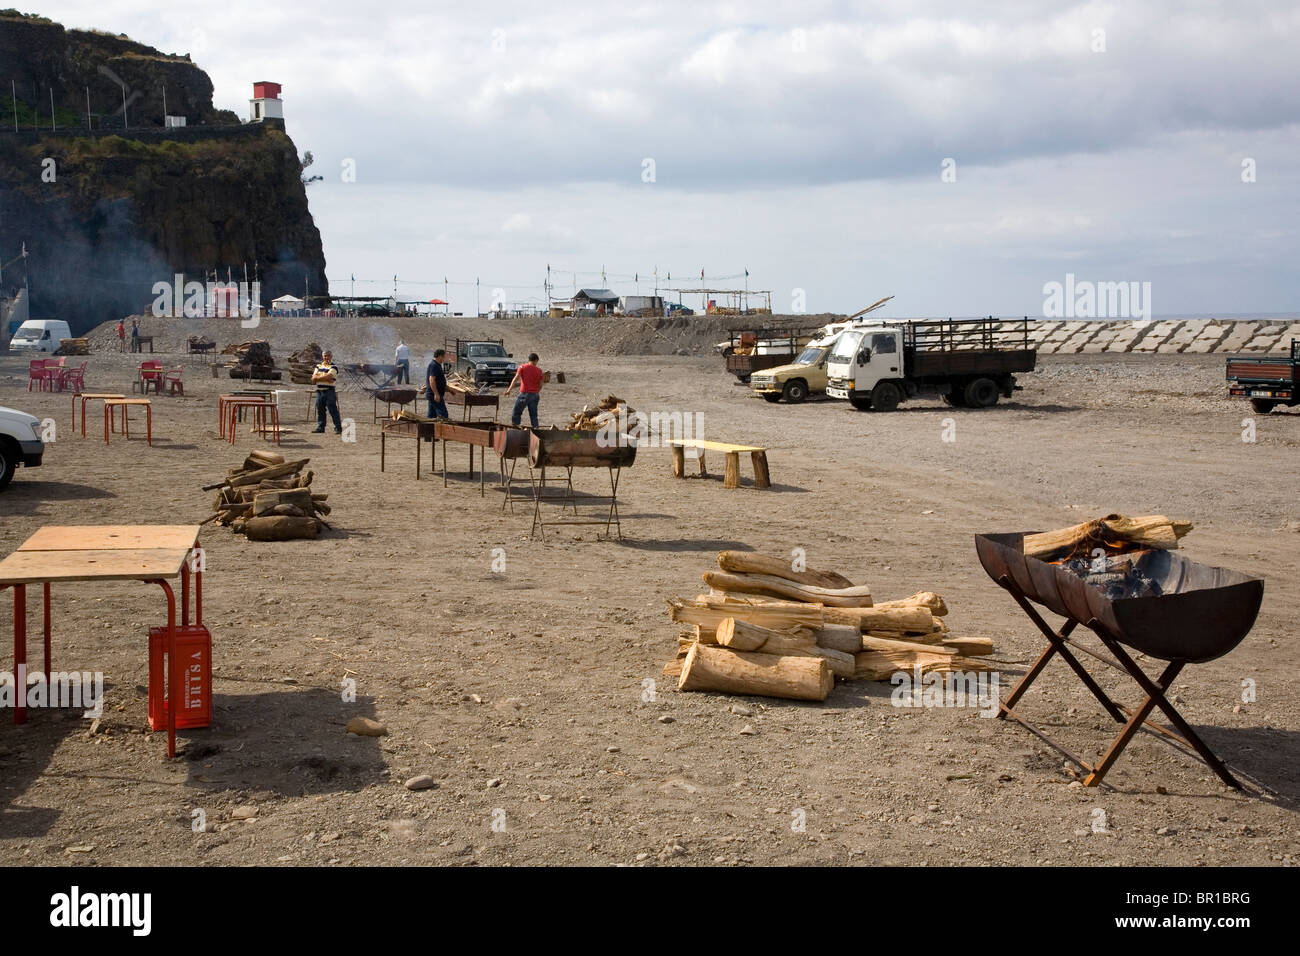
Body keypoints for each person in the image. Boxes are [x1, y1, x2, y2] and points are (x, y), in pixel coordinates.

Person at [505, 352, 543, 428]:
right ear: (535, 360)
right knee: (534, 414)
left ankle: (516, 427)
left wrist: (509, 390)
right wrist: (536, 392)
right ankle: (536, 429)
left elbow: (515, 379)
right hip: (535, 395)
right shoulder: (539, 370)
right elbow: (541, 384)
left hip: (524, 394)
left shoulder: (522, 367)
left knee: (516, 412)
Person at [312, 350, 343, 434]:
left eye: (328, 355)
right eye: (325, 356)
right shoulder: (318, 366)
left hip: (329, 391)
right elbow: (313, 379)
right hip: (319, 391)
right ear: (322, 356)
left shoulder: (334, 367)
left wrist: (318, 377)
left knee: (332, 409)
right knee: (320, 409)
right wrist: (325, 378)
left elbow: (329, 376)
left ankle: (338, 428)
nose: (326, 357)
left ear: (331, 356)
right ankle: (321, 427)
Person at [426, 349, 449, 419]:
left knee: (431, 416)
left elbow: (439, 380)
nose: (444, 359)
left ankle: (428, 429)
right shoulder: (434, 365)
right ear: (439, 356)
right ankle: (443, 429)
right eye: (443, 357)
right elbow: (431, 380)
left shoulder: (437, 365)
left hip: (433, 394)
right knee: (443, 415)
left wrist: (450, 390)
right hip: (434, 394)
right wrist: (436, 394)